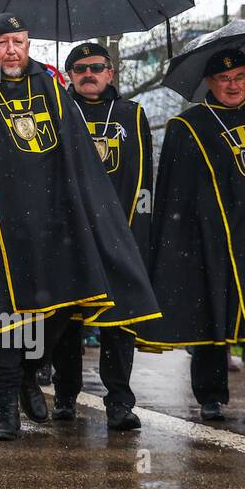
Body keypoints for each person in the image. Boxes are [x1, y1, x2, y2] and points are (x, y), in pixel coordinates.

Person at [0, 13, 160, 441]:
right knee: (0, 322)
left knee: (64, 308)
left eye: (19, 41)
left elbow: (77, 152)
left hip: (52, 227)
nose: (12, 50)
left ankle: (31, 370)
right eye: (3, 42)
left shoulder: (50, 87)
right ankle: (6, 409)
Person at [132, 49, 245, 425]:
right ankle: (211, 396)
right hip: (213, 241)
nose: (233, 85)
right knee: (210, 318)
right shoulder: (189, 126)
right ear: (209, 82)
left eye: (239, 77)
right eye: (224, 79)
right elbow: (175, 194)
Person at [47, 42, 153, 430]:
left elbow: (143, 177)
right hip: (70, 234)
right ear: (69, 76)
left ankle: (120, 403)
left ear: (110, 73)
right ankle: (64, 395)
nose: (87, 73)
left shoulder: (132, 114)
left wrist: (136, 231)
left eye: (96, 67)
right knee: (68, 322)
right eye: (78, 68)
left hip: (118, 232)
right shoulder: (57, 112)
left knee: (119, 321)